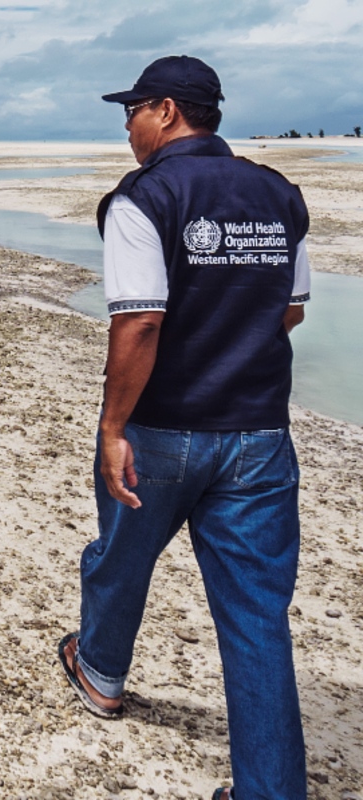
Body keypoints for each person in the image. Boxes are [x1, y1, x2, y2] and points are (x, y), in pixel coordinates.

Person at [57, 56, 310, 800]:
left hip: (164, 429)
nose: (127, 126)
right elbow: (290, 309)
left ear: (166, 111)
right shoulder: (279, 194)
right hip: (259, 432)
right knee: (257, 616)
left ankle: (100, 674)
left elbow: (138, 321)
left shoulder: (146, 196)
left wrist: (112, 426)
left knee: (120, 556)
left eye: (132, 110)